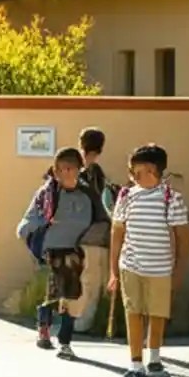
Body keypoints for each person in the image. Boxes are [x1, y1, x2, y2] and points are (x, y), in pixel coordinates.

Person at [108, 143, 189, 377]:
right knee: (133, 313)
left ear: (157, 171)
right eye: (133, 171)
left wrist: (178, 270)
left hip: (160, 268)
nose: (137, 176)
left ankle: (154, 361)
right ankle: (135, 363)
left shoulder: (171, 199)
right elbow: (117, 232)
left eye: (143, 171)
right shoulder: (126, 197)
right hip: (131, 266)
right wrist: (114, 269)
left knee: (157, 314)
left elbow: (183, 236)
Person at [16, 147, 107, 358]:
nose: (67, 173)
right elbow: (28, 221)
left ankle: (65, 341)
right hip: (50, 252)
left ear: (79, 170)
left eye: (71, 169)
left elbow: (101, 221)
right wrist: (42, 222)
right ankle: (44, 330)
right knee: (52, 292)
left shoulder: (88, 195)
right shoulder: (47, 194)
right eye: (62, 169)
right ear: (55, 171)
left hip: (75, 251)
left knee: (72, 295)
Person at [75, 127, 113, 333]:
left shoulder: (81, 172)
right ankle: (84, 322)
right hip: (97, 232)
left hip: (86, 234)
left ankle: (83, 322)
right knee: (93, 281)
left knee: (88, 280)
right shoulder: (94, 173)